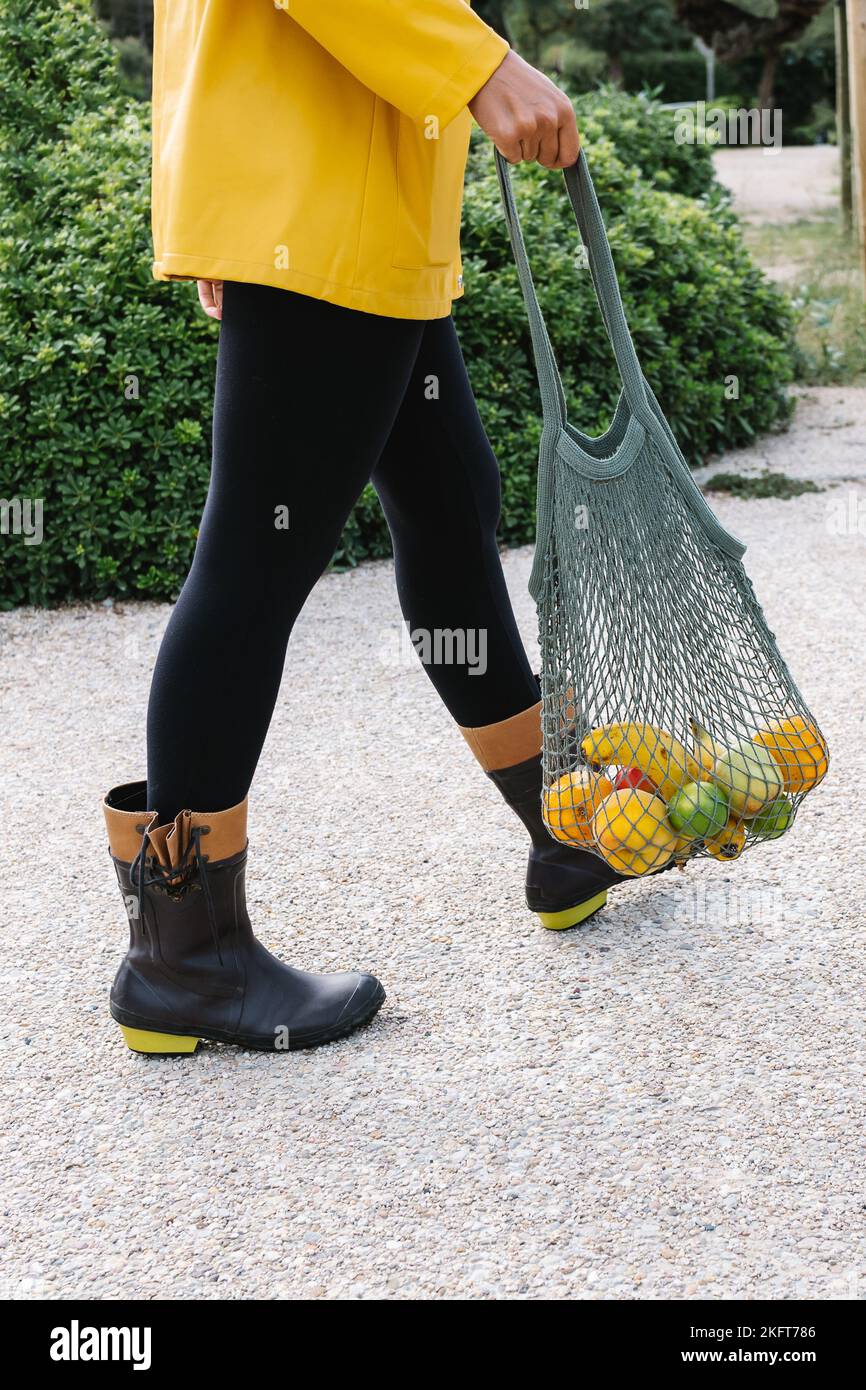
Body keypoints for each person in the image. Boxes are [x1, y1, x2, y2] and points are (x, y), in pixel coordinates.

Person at [102, 1, 618, 1058]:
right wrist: (480, 64)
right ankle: (181, 955)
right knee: (255, 558)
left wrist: (221, 188)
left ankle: (562, 836)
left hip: (344, 184)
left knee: (447, 502)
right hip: (322, 190)